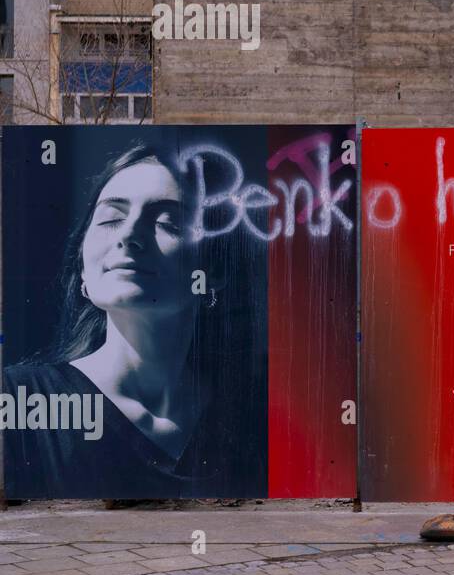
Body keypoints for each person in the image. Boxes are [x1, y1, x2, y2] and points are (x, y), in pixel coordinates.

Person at [2, 142, 266, 498]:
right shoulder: (17, 398)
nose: (128, 236)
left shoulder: (253, 419)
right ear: (82, 266)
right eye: (110, 219)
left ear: (214, 269)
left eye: (168, 223)